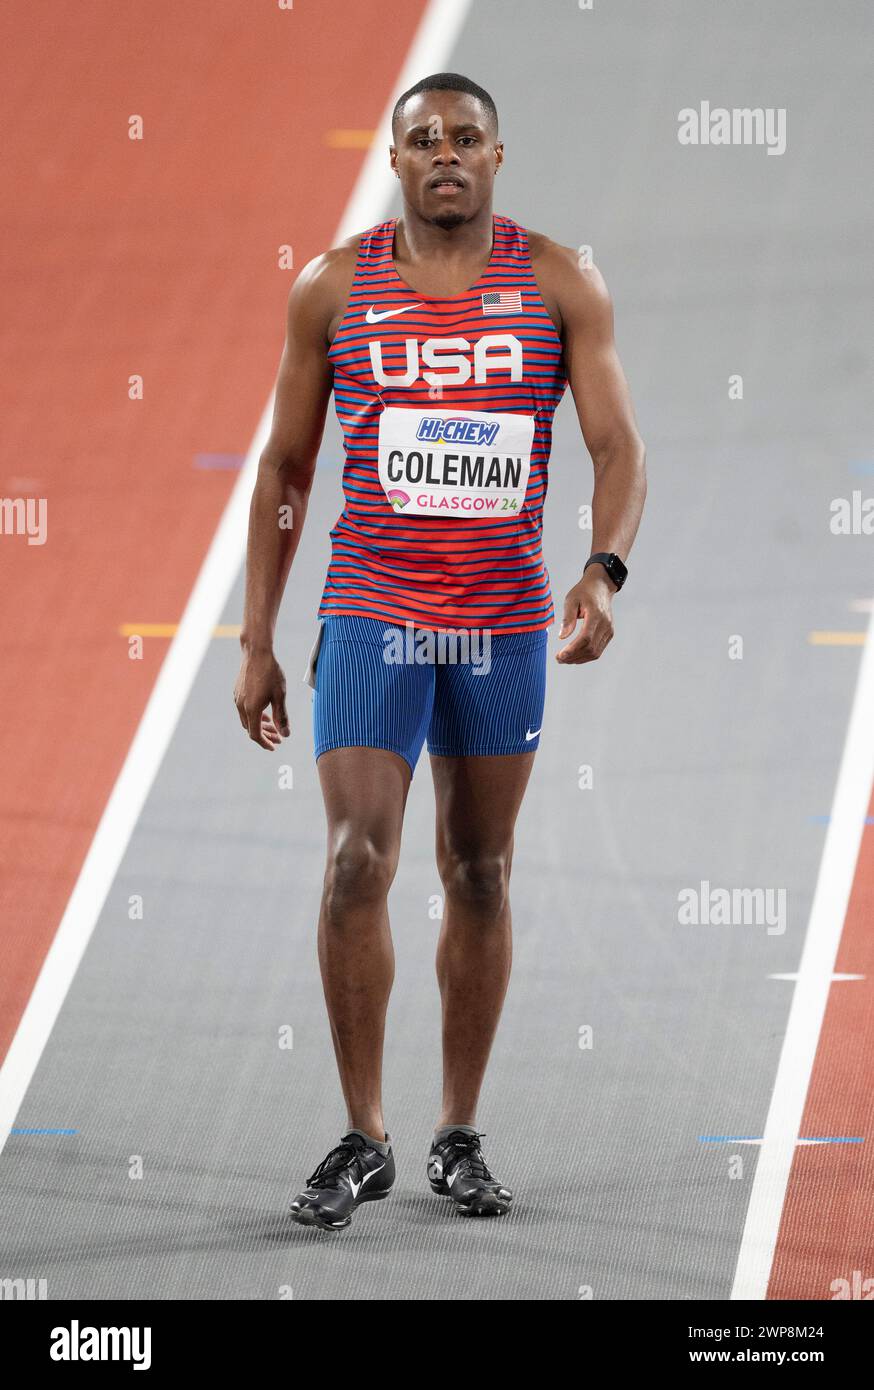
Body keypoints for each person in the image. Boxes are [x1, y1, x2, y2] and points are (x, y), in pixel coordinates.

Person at [234, 72, 646, 1230]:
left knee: (478, 870)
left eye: (467, 137)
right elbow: (282, 469)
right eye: (426, 140)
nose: (447, 154)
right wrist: (256, 636)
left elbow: (619, 451)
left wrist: (602, 572)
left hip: (501, 622)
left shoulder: (558, 283)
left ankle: (456, 1131)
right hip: (372, 610)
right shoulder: (333, 290)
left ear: (498, 157)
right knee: (357, 859)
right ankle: (363, 1136)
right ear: (397, 159)